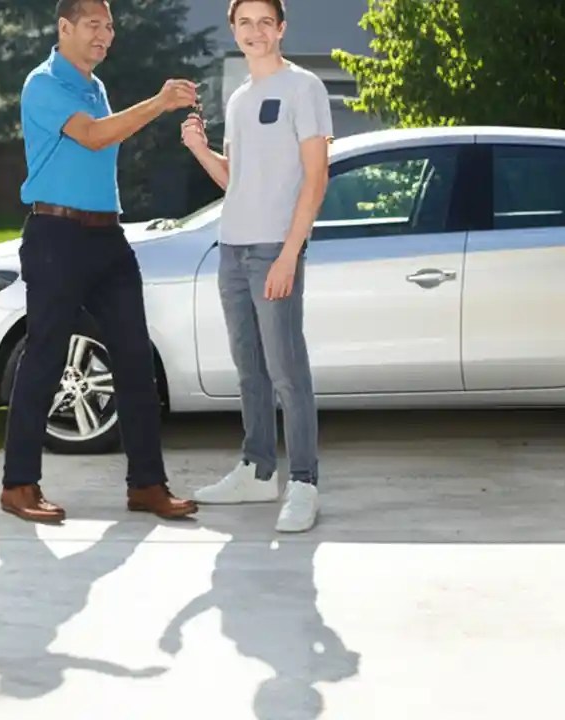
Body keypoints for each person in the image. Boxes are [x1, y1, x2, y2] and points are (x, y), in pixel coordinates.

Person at [0, 0, 200, 523]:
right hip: (56, 236)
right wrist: (159, 103)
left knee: (135, 358)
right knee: (45, 357)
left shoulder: (95, 86)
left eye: (109, 26)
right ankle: (19, 485)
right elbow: (92, 137)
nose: (104, 35)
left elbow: (101, 133)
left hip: (107, 237)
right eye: (94, 25)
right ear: (64, 27)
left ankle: (147, 485)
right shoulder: (43, 84)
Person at [181, 0, 331, 532]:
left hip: (274, 249)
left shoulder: (304, 87)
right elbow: (236, 180)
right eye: (245, 22)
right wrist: (200, 150)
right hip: (232, 248)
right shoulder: (240, 96)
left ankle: (304, 483)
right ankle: (258, 470)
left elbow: (316, 176)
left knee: (287, 370)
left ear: (281, 28)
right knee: (249, 369)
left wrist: (290, 252)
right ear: (234, 30)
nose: (255, 31)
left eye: (265, 21)